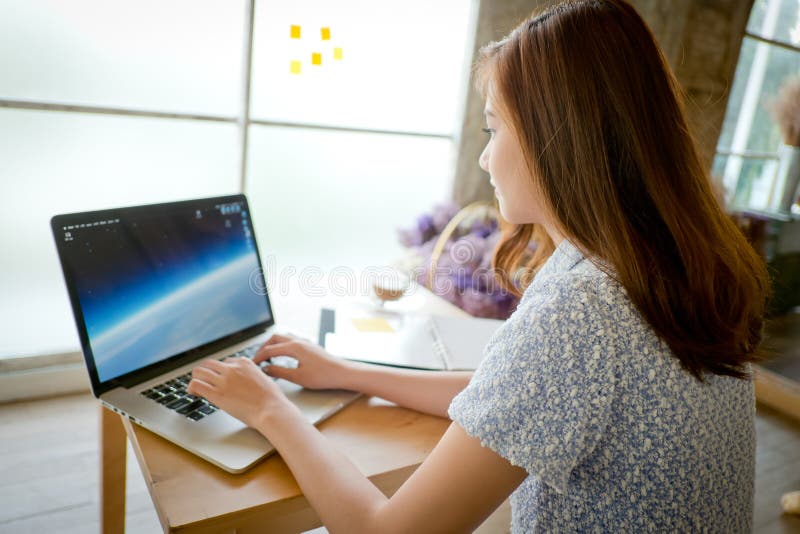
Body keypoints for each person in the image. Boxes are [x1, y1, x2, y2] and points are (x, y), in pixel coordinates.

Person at [187, 0, 770, 531]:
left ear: (557, 136)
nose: (486, 155)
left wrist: (270, 407)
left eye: (493, 128)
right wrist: (350, 373)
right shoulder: (667, 264)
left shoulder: (583, 307)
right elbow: (519, 395)